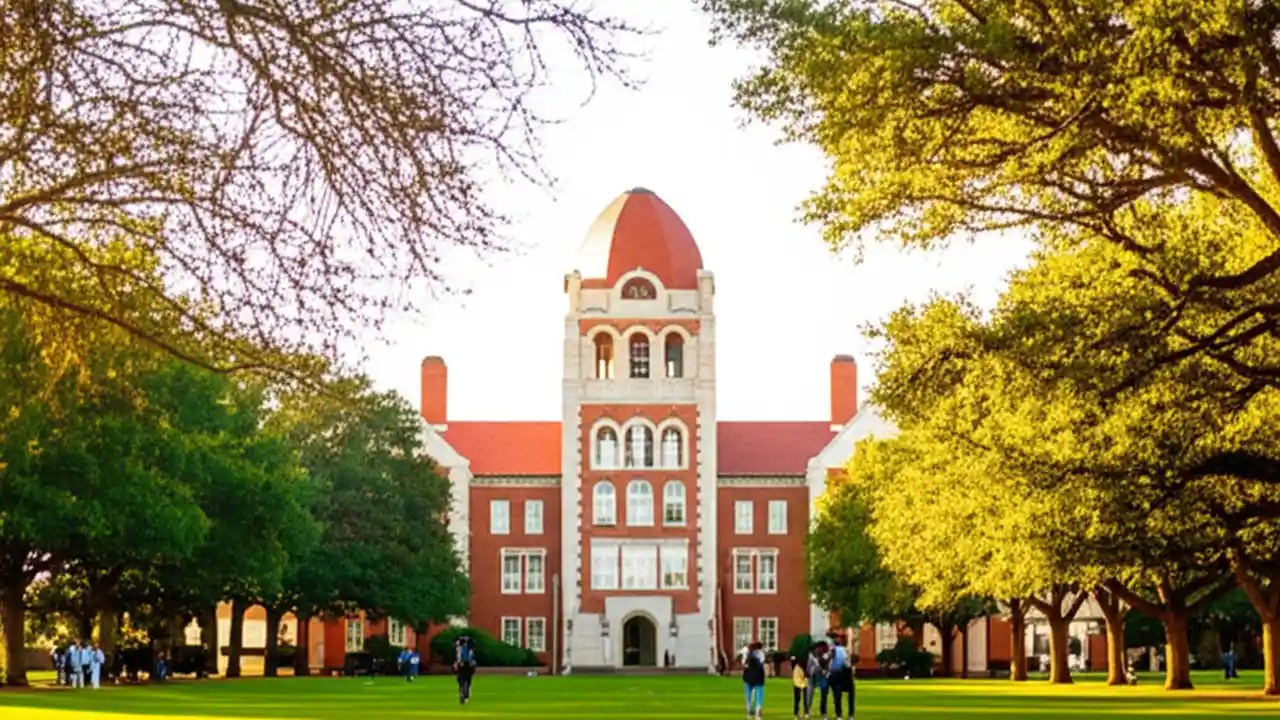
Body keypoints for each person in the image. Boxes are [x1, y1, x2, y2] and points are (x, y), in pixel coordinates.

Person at [828, 634, 854, 719]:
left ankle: (839, 714)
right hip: (847, 672)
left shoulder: (833, 649)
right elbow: (848, 662)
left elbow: (830, 660)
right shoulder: (845, 650)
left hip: (836, 673)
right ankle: (851, 715)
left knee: (836, 694)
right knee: (851, 694)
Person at [742, 641, 766, 720]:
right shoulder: (761, 654)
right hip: (758, 677)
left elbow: (744, 665)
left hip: (748, 677)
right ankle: (758, 711)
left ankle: (749, 711)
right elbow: (761, 665)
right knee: (759, 694)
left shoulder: (747, 653)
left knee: (748, 694)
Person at [454, 635, 476, 704]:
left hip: (464, 665)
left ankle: (464, 693)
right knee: (466, 680)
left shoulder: (461, 648)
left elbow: (460, 657)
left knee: (462, 680)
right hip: (466, 665)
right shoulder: (468, 648)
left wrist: (459, 663)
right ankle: (465, 693)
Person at [790, 655, 810, 720]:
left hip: (803, 681)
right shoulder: (796, 663)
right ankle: (797, 714)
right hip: (797, 680)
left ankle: (805, 713)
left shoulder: (804, 662)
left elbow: (808, 673)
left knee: (804, 698)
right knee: (798, 698)